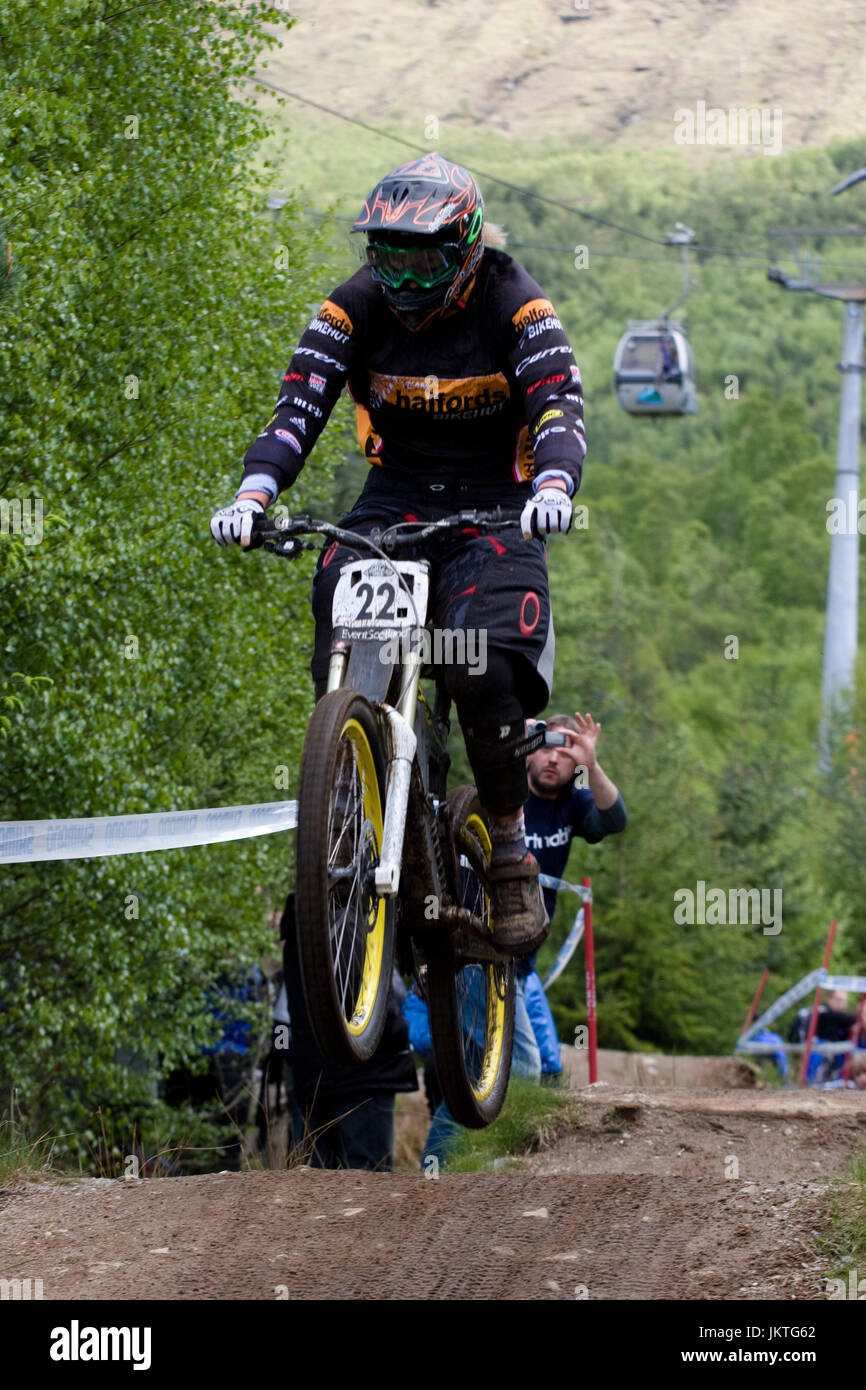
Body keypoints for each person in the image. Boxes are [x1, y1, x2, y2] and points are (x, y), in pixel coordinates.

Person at [210, 152, 587, 958]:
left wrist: (555, 482)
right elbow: (297, 409)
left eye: (424, 255)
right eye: (390, 253)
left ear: (467, 247)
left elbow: (556, 401)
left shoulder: (516, 304)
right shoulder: (352, 307)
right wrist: (253, 496)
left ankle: (511, 850)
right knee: (337, 604)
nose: (407, 274)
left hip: (497, 502)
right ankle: (350, 783)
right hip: (398, 497)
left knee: (480, 663)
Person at [413, 707, 626, 1165]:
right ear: (529, 751)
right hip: (475, 951)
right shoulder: (502, 791)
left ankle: (450, 1165)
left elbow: (615, 820)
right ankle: (477, 1163)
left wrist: (592, 760)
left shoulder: (573, 802)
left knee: (501, 1069)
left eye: (566, 751)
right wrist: (513, 734)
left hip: (518, 965)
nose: (554, 759)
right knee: (517, 1065)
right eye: (546, 745)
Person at [278, 893, 418, 1170]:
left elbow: (282, 1020)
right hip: (366, 1074)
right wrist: (400, 1043)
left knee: (313, 1179)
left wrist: (293, 1061)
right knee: (368, 1176)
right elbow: (388, 1003)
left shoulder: (299, 930)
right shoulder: (359, 925)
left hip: (312, 1077)